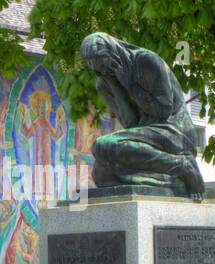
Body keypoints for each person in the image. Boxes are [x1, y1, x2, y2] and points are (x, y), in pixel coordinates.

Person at [79, 32, 204, 199]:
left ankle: (182, 166)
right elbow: (132, 124)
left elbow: (162, 111)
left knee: (101, 145)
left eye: (104, 64)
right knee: (101, 173)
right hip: (147, 138)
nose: (103, 71)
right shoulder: (104, 84)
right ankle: (167, 180)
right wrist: (116, 85)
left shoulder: (146, 61)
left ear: (113, 52)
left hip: (173, 133)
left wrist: (128, 83)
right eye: (98, 69)